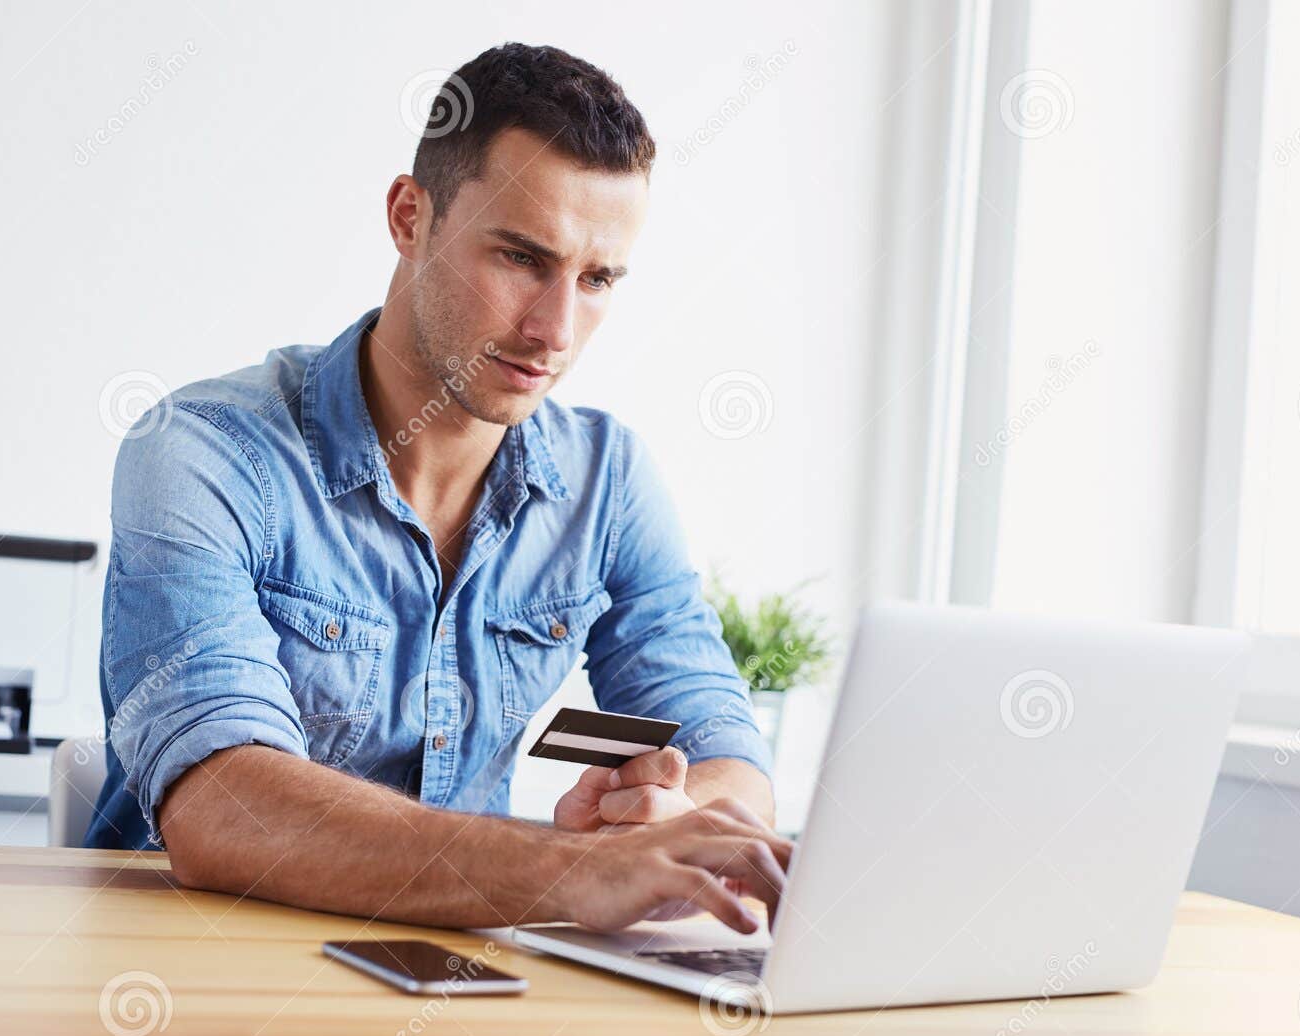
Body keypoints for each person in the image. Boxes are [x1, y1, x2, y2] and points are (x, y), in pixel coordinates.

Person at [87, 42, 792, 935]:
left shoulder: (607, 481)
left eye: (597, 278)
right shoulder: (206, 452)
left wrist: (665, 823)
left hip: (446, 979)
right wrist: (561, 870)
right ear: (409, 216)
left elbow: (726, 753)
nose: (554, 329)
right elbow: (224, 804)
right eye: (521, 258)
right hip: (185, 979)